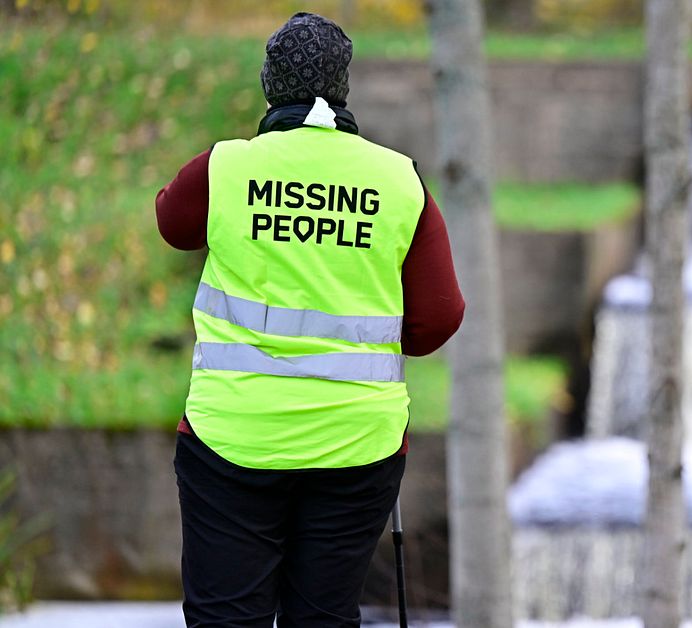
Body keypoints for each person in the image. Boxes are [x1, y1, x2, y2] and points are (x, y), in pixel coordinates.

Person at [154, 12, 465, 627]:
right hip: (356, 445)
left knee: (226, 618)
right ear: (343, 88)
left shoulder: (226, 167)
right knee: (323, 617)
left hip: (234, 440)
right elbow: (438, 318)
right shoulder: (398, 181)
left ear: (270, 85)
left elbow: (172, 223)